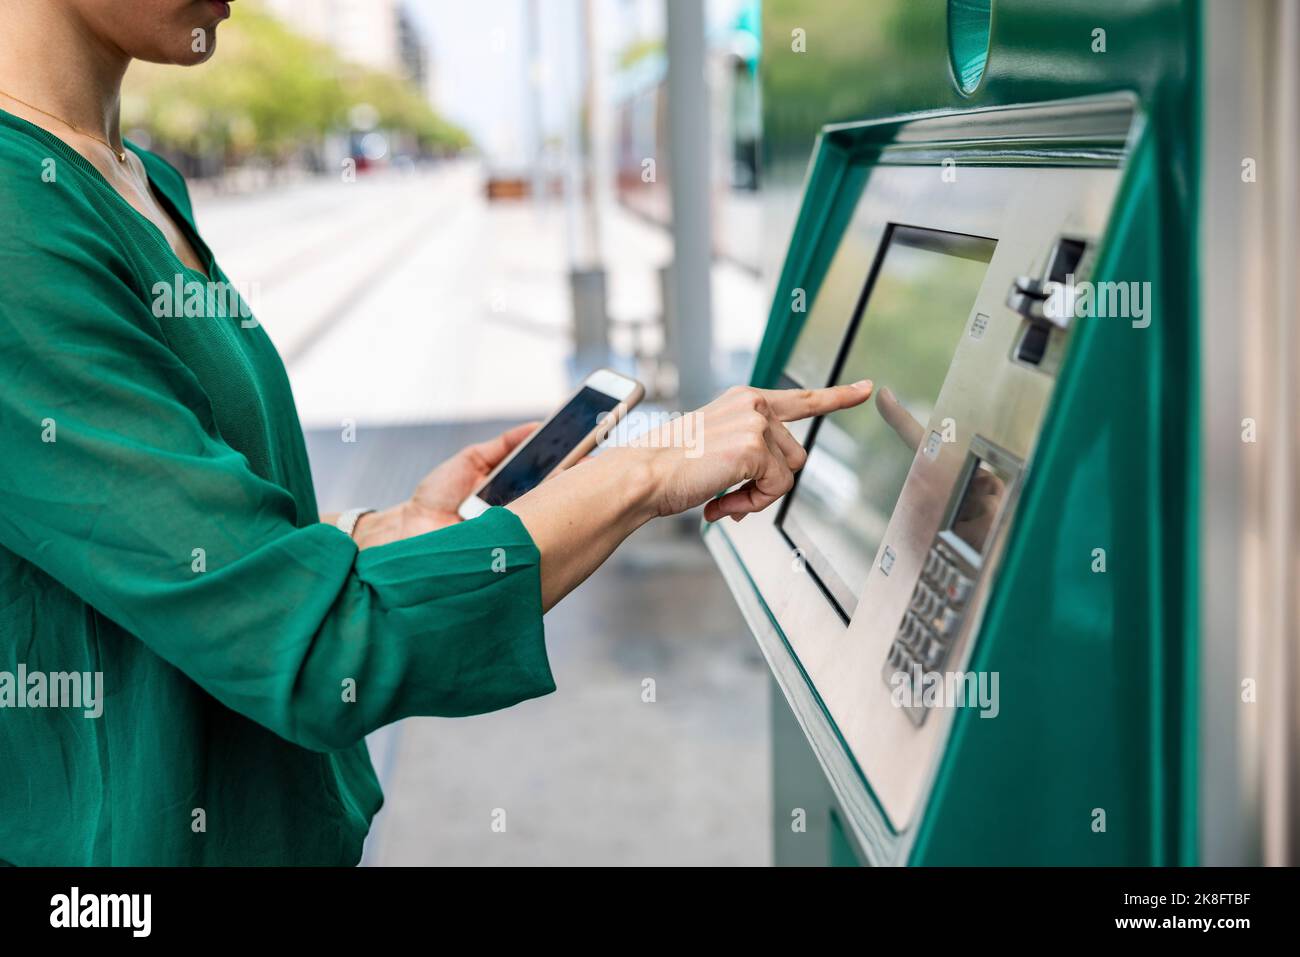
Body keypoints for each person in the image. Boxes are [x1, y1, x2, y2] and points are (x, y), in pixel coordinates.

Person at [0, 0, 873, 865]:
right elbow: (306, 645)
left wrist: (373, 533)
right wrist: (642, 472)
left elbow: (176, 540)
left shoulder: (140, 179)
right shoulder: (16, 219)